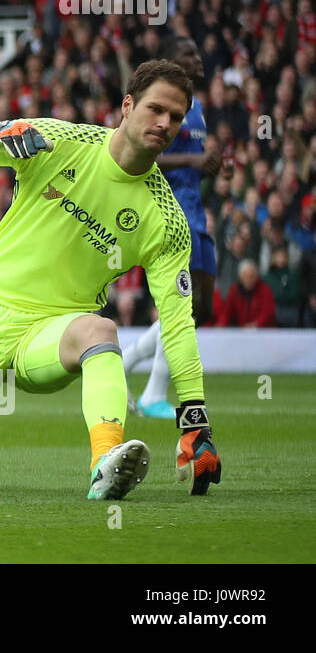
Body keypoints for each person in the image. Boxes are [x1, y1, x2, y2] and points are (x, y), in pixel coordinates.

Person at [0, 59, 223, 500]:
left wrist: (194, 416)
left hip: (52, 331)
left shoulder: (167, 221)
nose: (165, 123)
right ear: (127, 105)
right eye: (156, 109)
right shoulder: (60, 141)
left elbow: (177, 322)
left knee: (100, 330)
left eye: (176, 117)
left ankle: (105, 463)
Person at [123, 38, 221, 418]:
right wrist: (196, 165)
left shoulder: (196, 112)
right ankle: (154, 393)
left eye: (197, 54)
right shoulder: (165, 111)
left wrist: (214, 167)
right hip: (172, 207)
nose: (198, 59)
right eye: (189, 56)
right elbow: (149, 157)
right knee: (185, 303)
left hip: (196, 209)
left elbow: (192, 161)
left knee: (204, 307)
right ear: (171, 64)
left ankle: (128, 359)